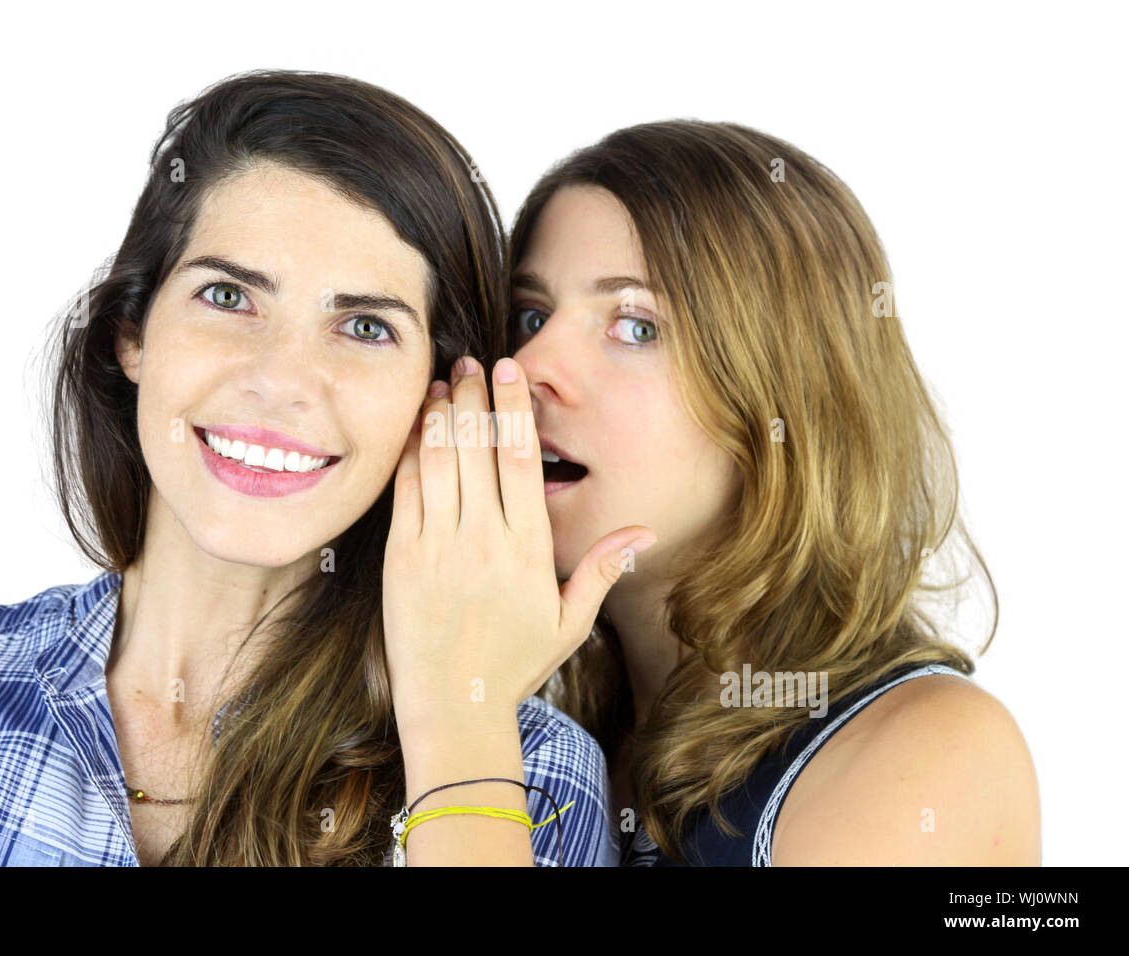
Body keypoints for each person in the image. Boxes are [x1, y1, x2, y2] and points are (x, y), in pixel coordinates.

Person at [0, 69, 617, 867]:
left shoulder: (526, 780)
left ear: (440, 401)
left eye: (367, 327)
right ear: (131, 332)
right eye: (230, 297)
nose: (280, 380)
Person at [427, 119, 1040, 865]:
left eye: (636, 326)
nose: (525, 366)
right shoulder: (562, 748)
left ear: (785, 395)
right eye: (530, 315)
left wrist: (460, 715)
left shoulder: (931, 749)